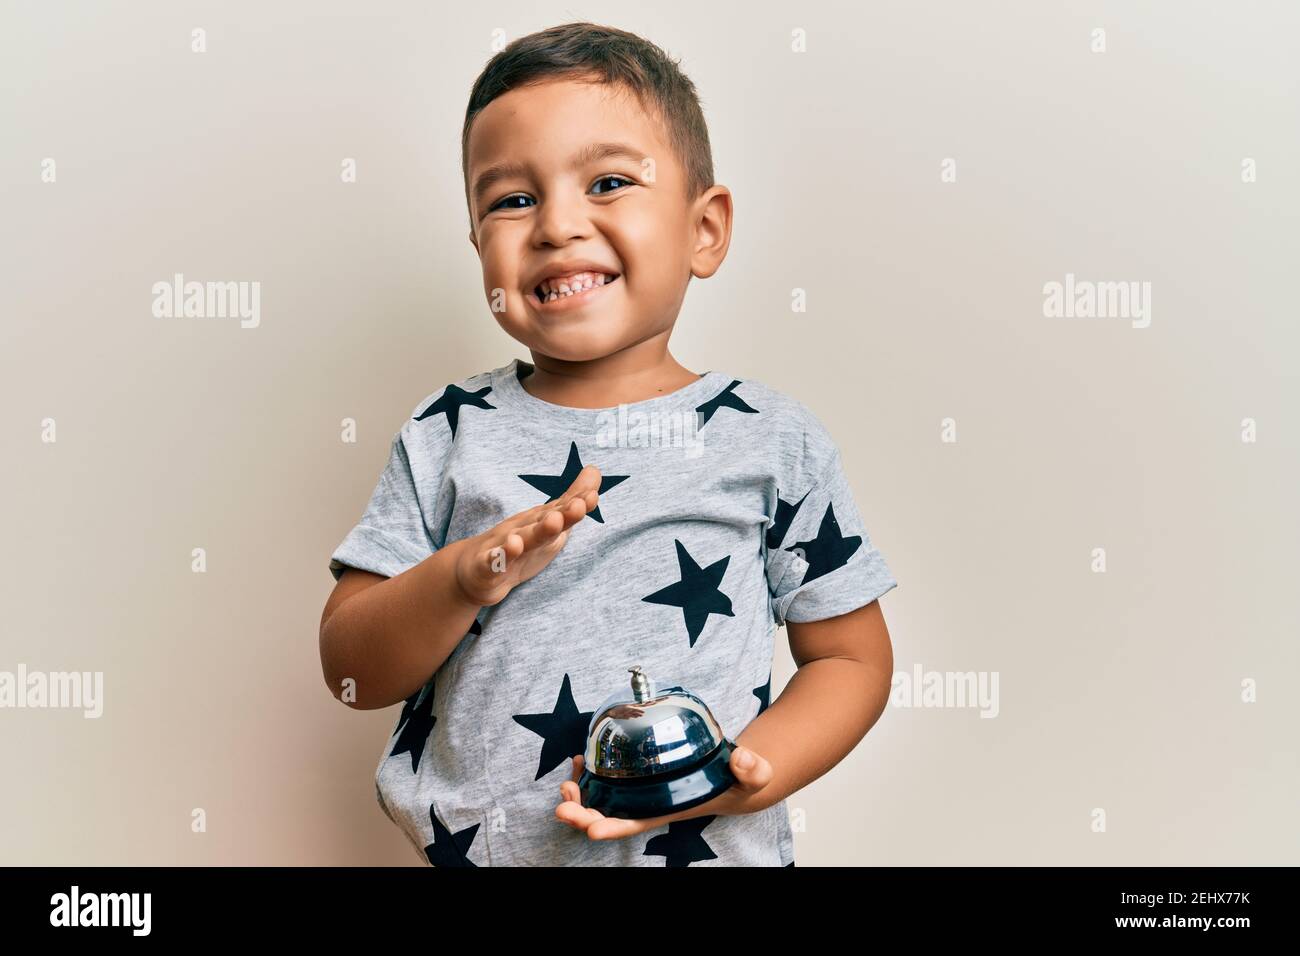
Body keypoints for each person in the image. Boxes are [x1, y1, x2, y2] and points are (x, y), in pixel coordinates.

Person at [319, 21, 898, 866]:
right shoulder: (449, 432)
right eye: (512, 199)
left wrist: (752, 773)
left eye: (610, 181)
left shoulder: (770, 441)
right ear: (480, 244)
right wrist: (458, 578)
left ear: (705, 229)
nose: (556, 225)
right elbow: (351, 671)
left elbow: (850, 656)